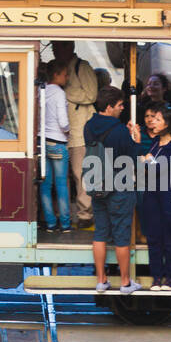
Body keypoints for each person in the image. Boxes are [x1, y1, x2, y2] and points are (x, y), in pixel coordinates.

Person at [83, 85, 146, 293]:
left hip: (96, 185)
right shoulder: (118, 130)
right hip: (120, 187)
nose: (121, 109)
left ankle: (101, 280)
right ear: (109, 107)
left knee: (100, 233)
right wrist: (135, 139)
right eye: (119, 105)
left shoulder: (89, 126)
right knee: (121, 236)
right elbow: (133, 157)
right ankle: (125, 282)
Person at [53, 40, 98, 229]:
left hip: (79, 131)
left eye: (59, 47)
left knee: (81, 174)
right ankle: (62, 214)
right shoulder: (58, 68)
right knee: (61, 176)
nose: (56, 51)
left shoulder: (82, 67)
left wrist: (62, 90)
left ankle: (85, 214)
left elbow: (91, 95)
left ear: (69, 47)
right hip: (59, 132)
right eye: (54, 47)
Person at [140, 107, 171, 289]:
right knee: (153, 236)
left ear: (168, 124)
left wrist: (148, 160)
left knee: (168, 236)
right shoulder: (155, 143)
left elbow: (160, 168)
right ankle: (156, 277)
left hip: (169, 194)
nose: (153, 122)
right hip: (152, 194)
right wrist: (149, 161)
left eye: (158, 119)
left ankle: (170, 277)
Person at [40, 60, 71, 233]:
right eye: (65, 74)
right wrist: (68, 131)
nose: (67, 78)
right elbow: (63, 121)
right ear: (56, 75)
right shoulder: (59, 93)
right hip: (58, 142)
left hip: (41, 140)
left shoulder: (41, 90)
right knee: (61, 185)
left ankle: (50, 223)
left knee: (45, 185)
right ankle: (65, 224)